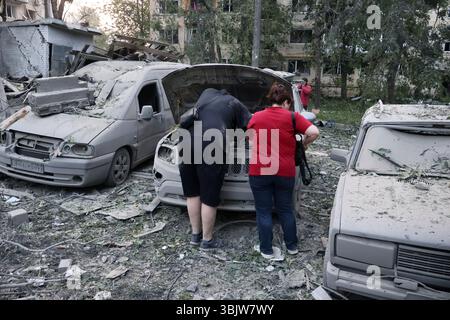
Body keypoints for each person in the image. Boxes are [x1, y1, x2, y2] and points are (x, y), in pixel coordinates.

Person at [247, 83, 319, 260]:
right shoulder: (293, 117)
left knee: (263, 211)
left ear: (271, 100)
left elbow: (249, 141)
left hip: (260, 170)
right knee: (286, 209)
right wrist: (302, 144)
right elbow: (314, 132)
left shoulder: (256, 116)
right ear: (286, 101)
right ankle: (292, 246)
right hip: (284, 171)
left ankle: (266, 249)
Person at [179, 88, 252, 250]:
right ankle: (207, 240)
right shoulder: (235, 103)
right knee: (208, 197)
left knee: (192, 193)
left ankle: (195, 235)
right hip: (211, 145)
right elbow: (249, 127)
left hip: (186, 141)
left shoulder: (206, 93)